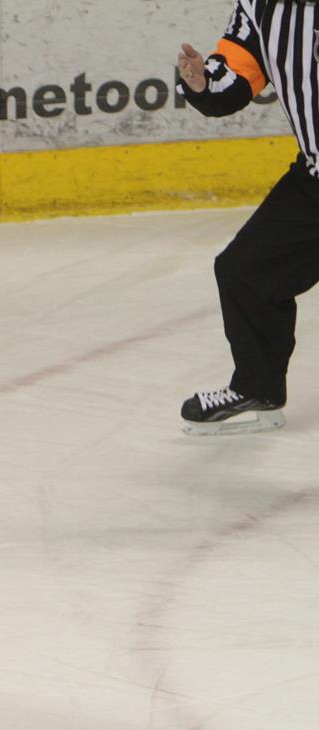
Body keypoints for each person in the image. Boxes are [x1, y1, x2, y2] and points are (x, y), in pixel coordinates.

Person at [174, 2, 319, 435]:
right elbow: (235, 79)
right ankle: (258, 387)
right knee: (245, 270)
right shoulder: (260, 6)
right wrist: (202, 81)